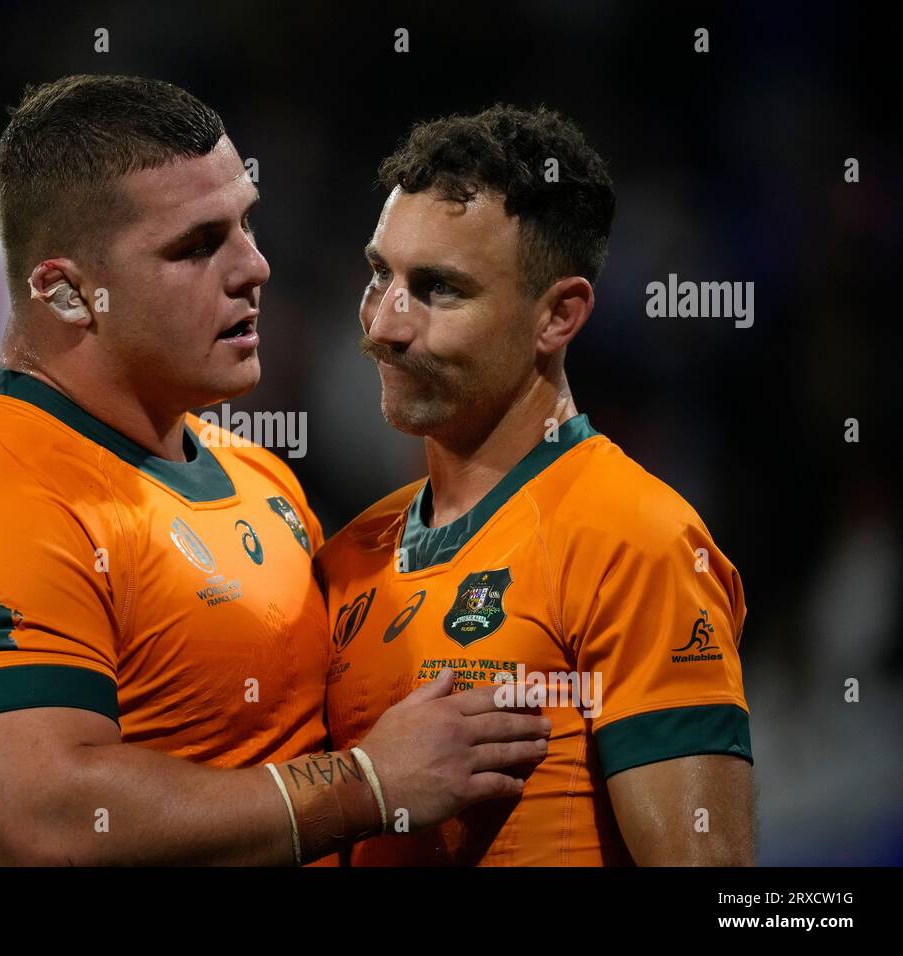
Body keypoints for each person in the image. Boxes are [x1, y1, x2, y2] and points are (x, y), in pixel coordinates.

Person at [0, 75, 550, 866]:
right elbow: (52, 824)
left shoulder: (259, 478)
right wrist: (365, 785)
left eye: (245, 224)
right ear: (67, 293)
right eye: (196, 246)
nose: (254, 267)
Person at [318, 104, 754, 865]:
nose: (385, 324)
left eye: (438, 288)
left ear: (558, 316)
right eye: (380, 274)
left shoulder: (637, 540)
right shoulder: (350, 555)